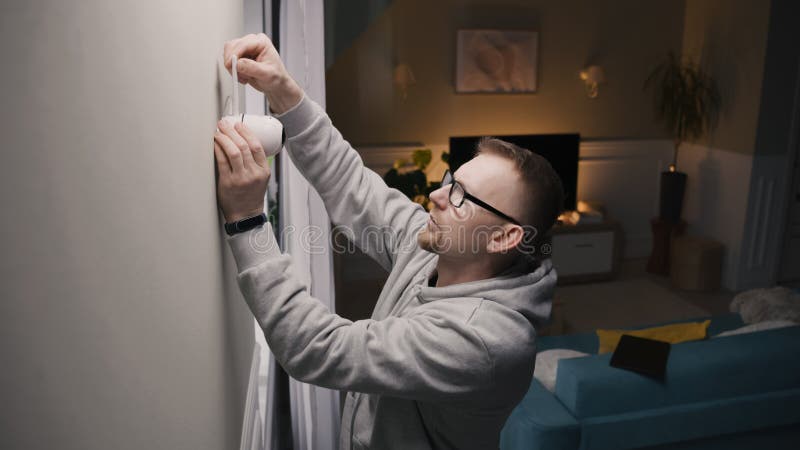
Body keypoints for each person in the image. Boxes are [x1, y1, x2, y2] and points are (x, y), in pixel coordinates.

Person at [214, 33, 564, 450]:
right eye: (451, 180)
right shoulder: (435, 246)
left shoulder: (483, 342)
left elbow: (314, 346)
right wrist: (283, 90)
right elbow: (352, 184)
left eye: (460, 196)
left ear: (505, 236)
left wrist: (248, 219)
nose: (436, 194)